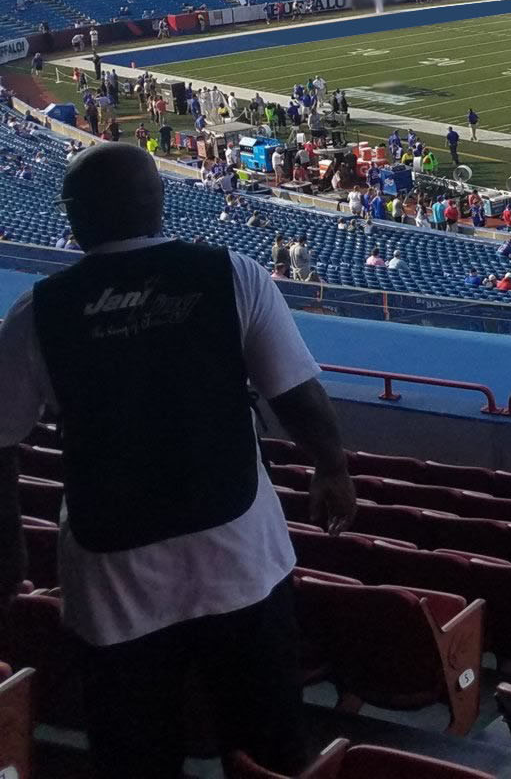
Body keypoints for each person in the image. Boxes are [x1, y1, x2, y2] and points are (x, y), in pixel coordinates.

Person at [0, 142, 355, 779]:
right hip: (239, 556)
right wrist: (331, 467)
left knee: (135, 754)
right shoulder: (234, 274)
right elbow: (297, 395)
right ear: (160, 205)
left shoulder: (37, 313)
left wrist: (8, 549)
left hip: (112, 578)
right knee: (266, 745)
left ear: (75, 218)